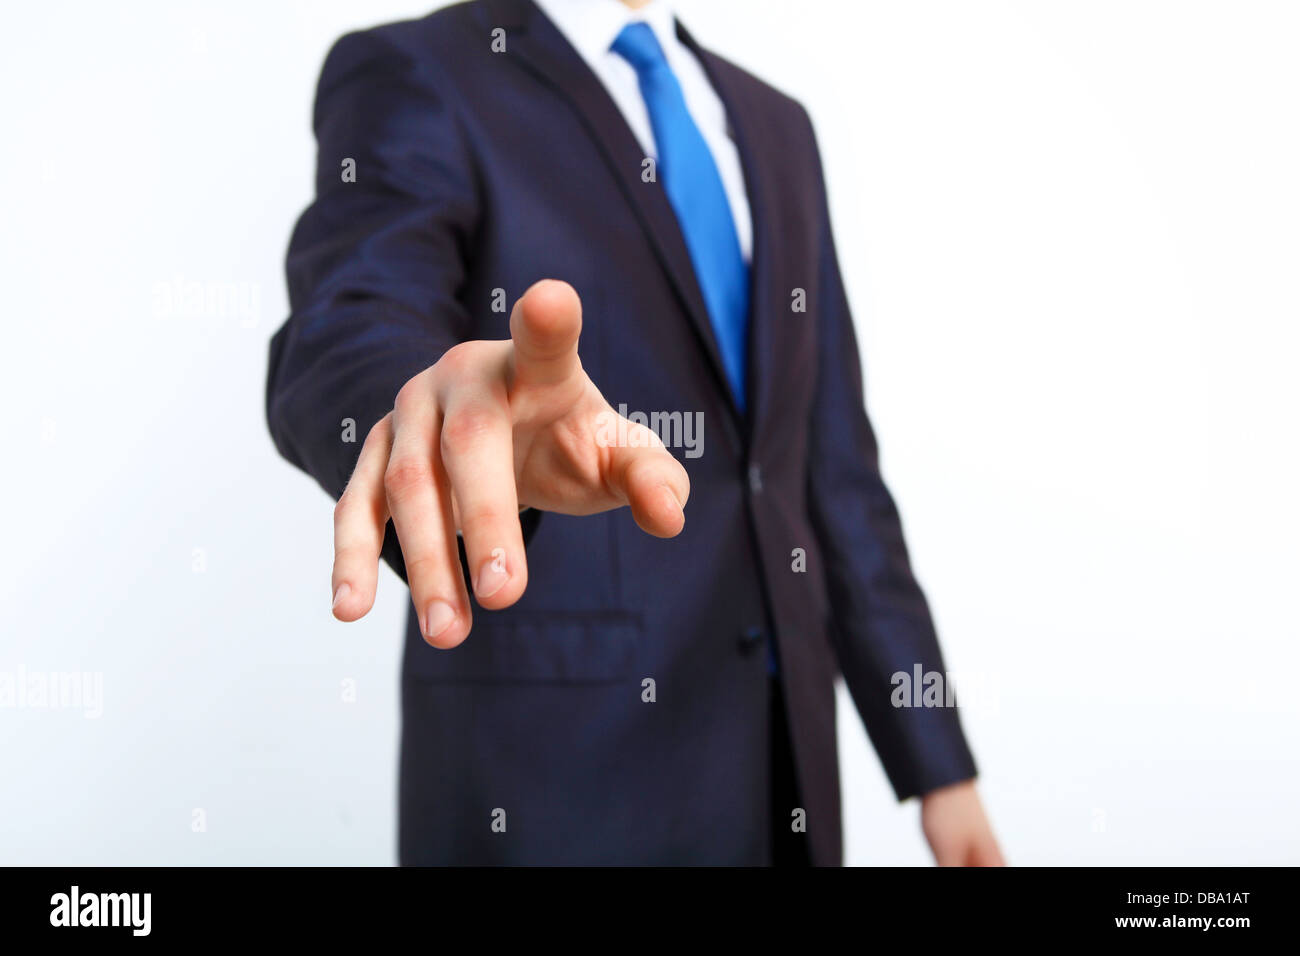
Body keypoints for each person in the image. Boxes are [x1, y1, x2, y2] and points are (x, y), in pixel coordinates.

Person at [266, 0, 1004, 866]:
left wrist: (938, 769)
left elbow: (832, 474)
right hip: (558, 786)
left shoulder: (778, 125)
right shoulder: (421, 68)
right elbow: (351, 316)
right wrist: (423, 407)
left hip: (782, 775)